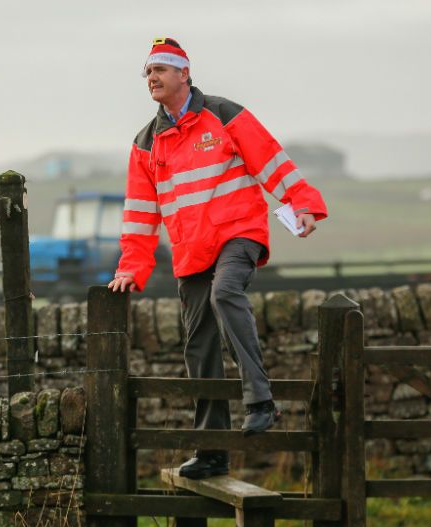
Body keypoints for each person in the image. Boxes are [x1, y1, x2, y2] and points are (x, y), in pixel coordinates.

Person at [107, 37, 328, 479]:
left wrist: (303, 203)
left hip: (238, 234)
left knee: (225, 294)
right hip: (191, 252)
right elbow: (140, 214)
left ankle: (260, 400)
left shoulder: (225, 115)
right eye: (147, 73)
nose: (152, 78)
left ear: (184, 74)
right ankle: (211, 451)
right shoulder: (145, 144)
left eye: (161, 70)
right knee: (199, 344)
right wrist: (131, 268)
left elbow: (270, 160)